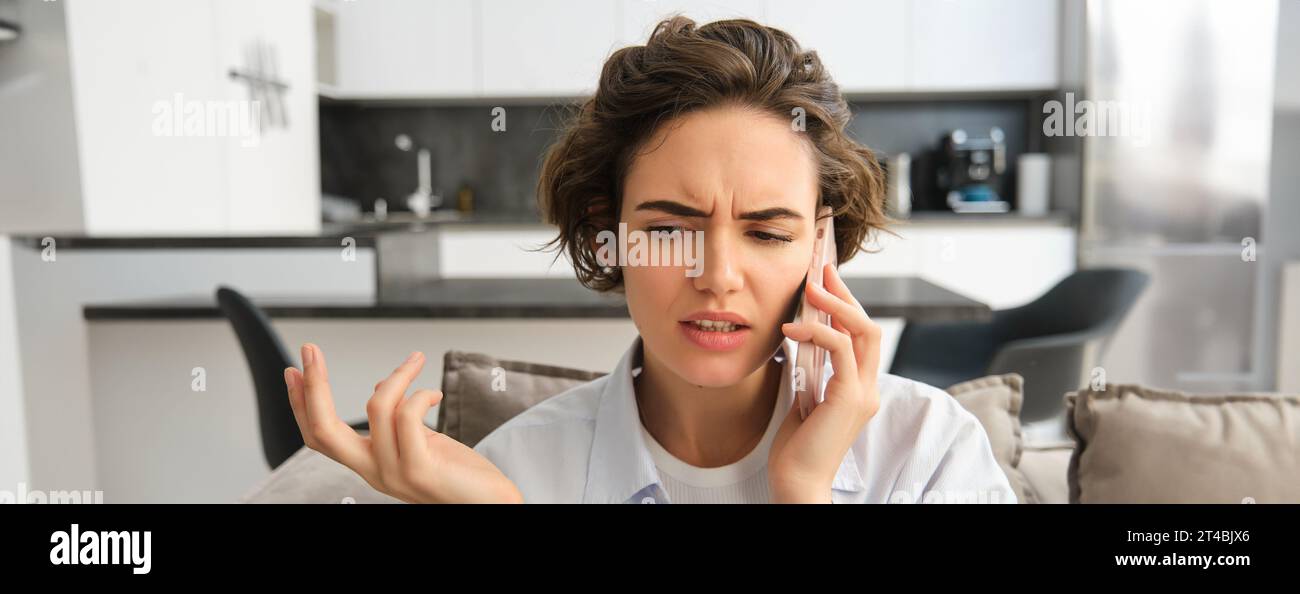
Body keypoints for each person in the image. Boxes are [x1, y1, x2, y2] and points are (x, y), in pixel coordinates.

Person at [282, 16, 1016, 504]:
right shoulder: (515, 475)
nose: (718, 275)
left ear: (820, 244)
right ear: (611, 234)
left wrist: (804, 493)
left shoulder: (929, 455)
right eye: (670, 229)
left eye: (767, 232)